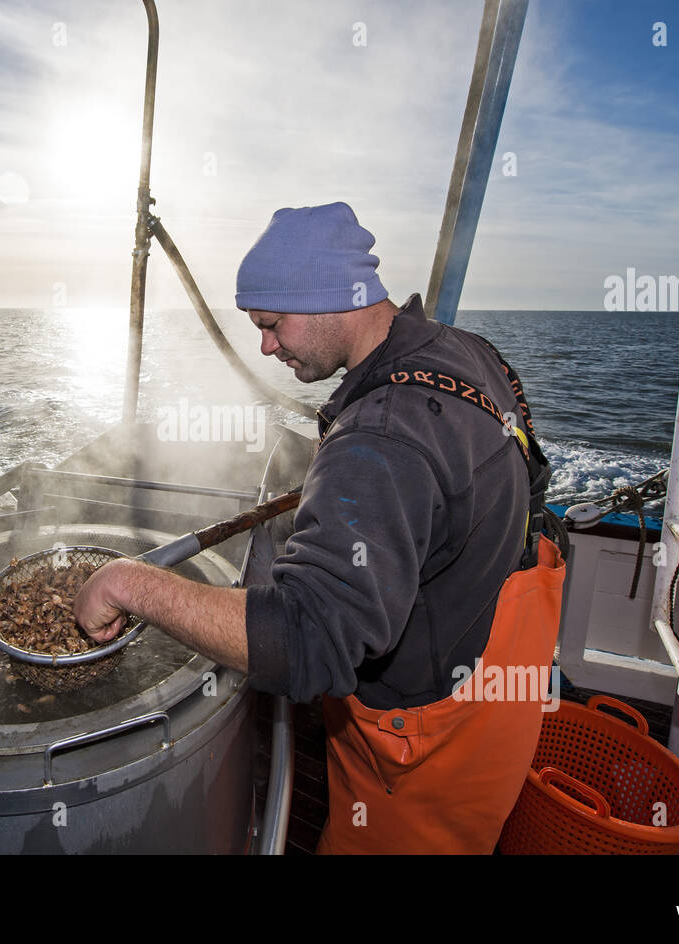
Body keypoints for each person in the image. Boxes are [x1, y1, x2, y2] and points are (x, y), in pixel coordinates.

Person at [74, 201, 565, 853]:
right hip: (496, 692)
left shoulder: (381, 440)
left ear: (330, 298)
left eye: (272, 324)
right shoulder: (468, 353)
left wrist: (130, 584)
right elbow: (533, 480)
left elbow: (308, 643)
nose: (265, 346)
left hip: (420, 749)